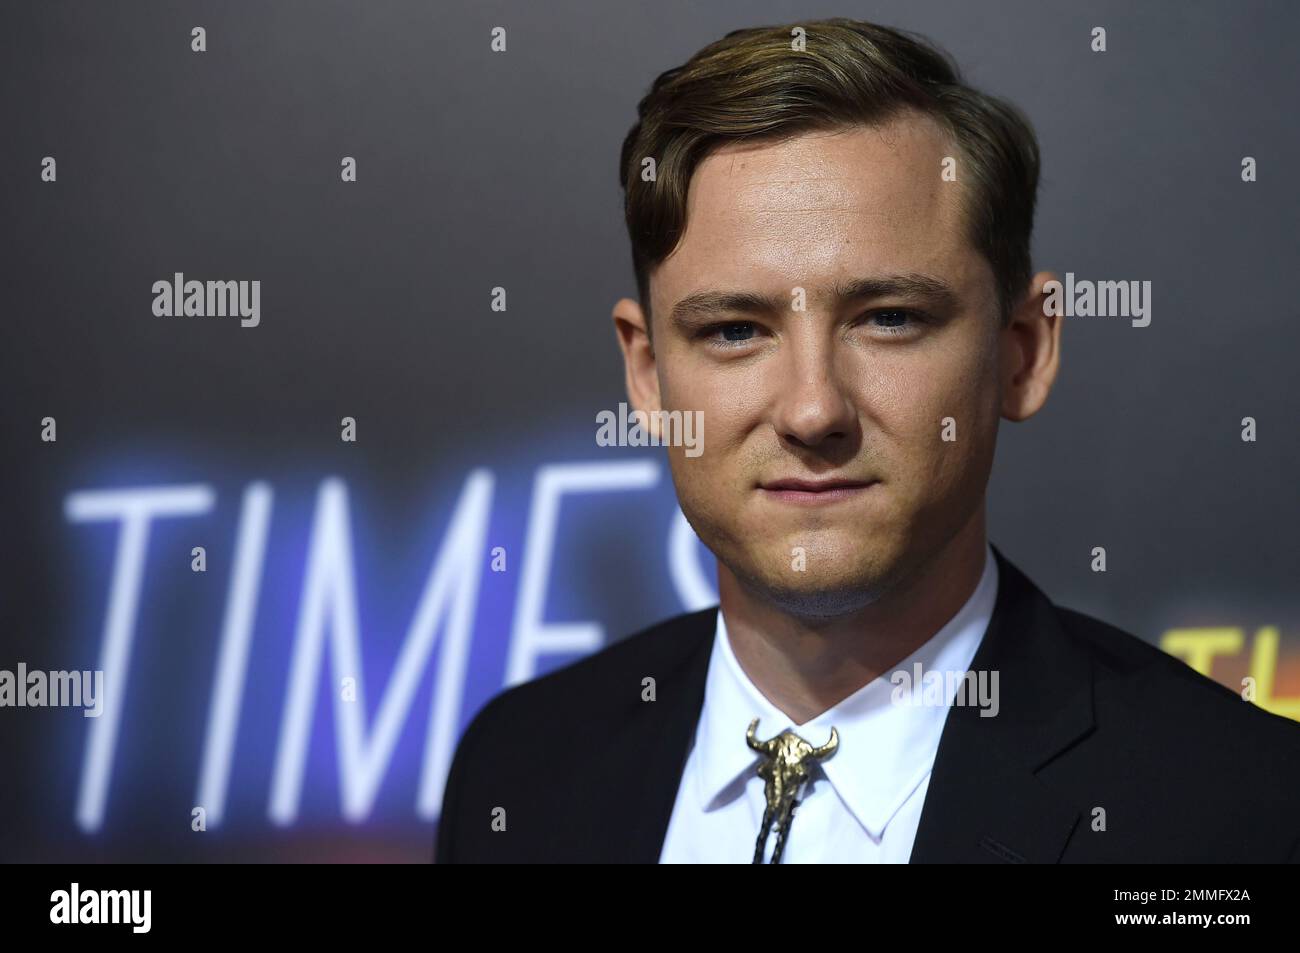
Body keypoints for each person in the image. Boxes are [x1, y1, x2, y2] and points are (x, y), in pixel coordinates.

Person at [436, 17, 1300, 863]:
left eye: (889, 318)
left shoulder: (1240, 811)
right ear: (648, 375)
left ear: (1022, 351)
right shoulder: (518, 770)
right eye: (735, 330)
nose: (813, 410)